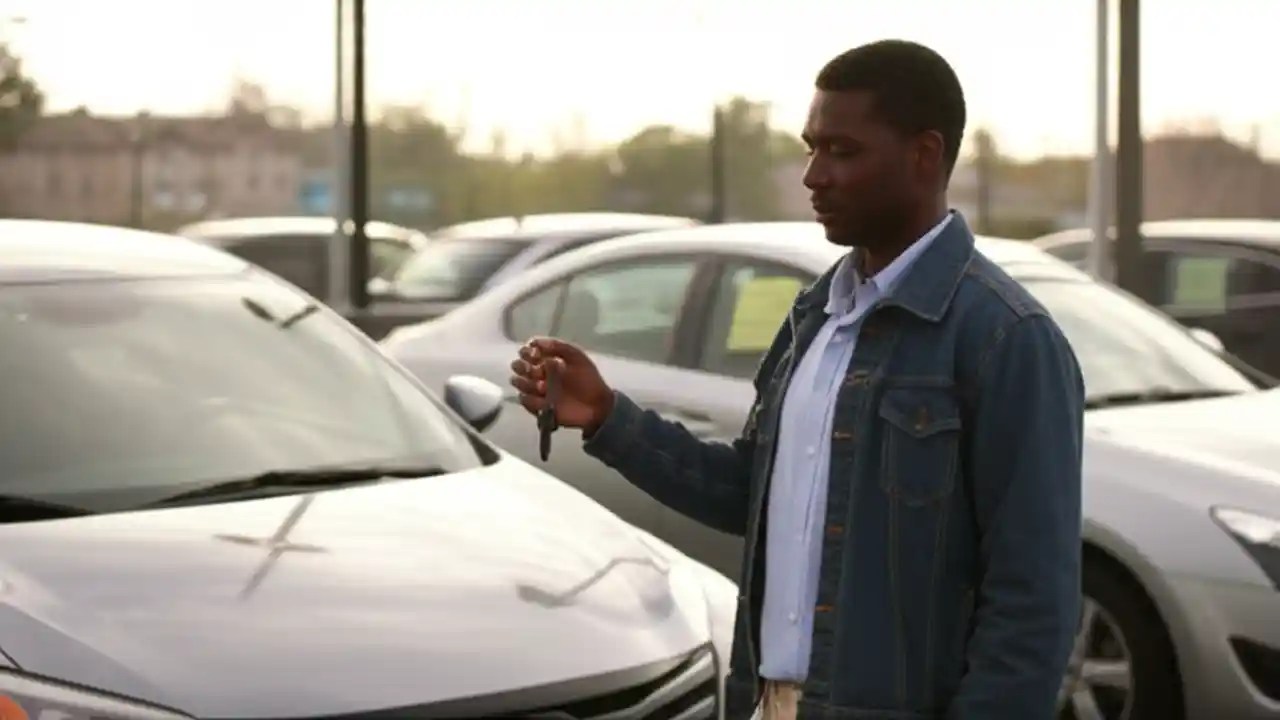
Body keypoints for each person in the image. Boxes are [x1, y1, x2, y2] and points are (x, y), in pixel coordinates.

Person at [510, 39, 1084, 720]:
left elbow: (1033, 605)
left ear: (924, 155)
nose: (814, 175)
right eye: (811, 147)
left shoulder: (1005, 339)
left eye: (842, 151)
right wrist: (607, 417)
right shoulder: (817, 317)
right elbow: (745, 493)